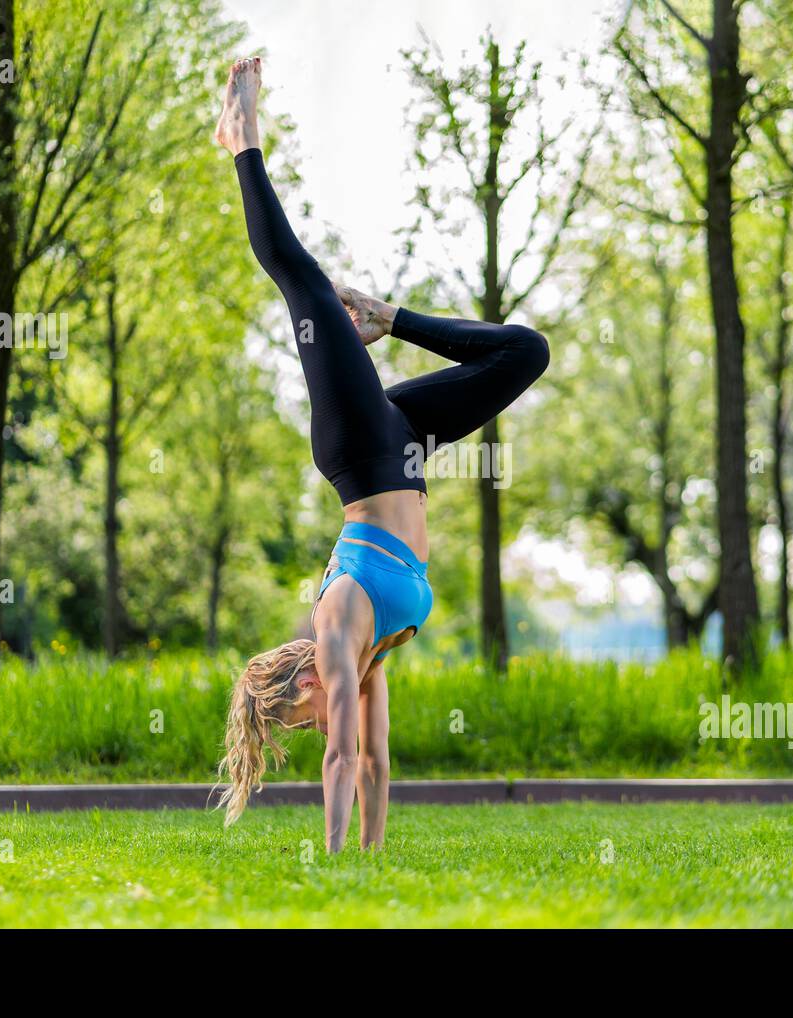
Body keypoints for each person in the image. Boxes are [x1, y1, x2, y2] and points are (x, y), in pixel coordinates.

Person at [215, 57, 548, 851]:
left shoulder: (336, 624)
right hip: (400, 450)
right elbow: (375, 764)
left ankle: (241, 138)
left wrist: (325, 863)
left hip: (361, 450)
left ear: (301, 681)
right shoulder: (365, 656)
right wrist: (367, 858)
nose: (317, 715)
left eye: (300, 711)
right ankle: (387, 317)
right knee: (523, 357)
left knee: (301, 281)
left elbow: (339, 758)